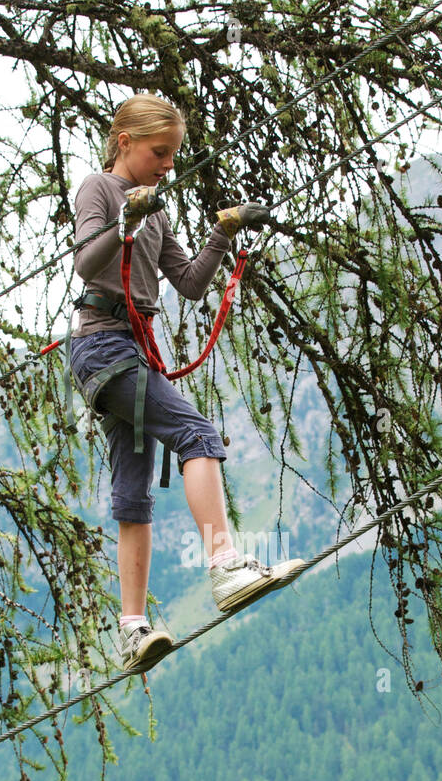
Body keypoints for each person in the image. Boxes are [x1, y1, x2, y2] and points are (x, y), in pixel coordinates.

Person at [67, 94, 304, 675]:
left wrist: (222, 233)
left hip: (130, 349)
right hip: (104, 346)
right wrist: (127, 220)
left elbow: (192, 283)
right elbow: (84, 260)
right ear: (125, 142)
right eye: (160, 153)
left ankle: (133, 629)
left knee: (134, 496)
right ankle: (224, 564)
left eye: (174, 155)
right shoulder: (98, 189)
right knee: (197, 433)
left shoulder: (157, 212)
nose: (169, 165)